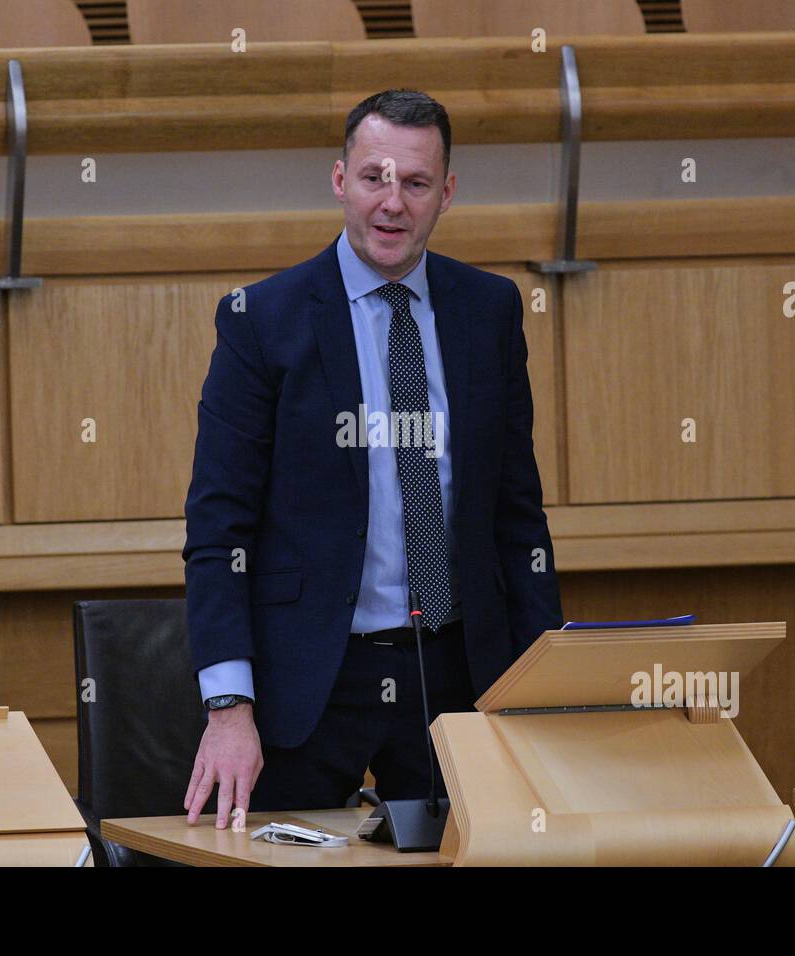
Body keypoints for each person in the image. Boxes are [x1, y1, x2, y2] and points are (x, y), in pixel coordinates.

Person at [181, 88, 563, 827]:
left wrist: (540, 687)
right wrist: (229, 707)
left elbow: (519, 519)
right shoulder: (262, 321)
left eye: (416, 184)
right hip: (309, 680)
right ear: (339, 180)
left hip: (456, 673)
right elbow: (216, 528)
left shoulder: (490, 311)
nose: (393, 203)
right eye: (373, 178)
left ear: (445, 194)